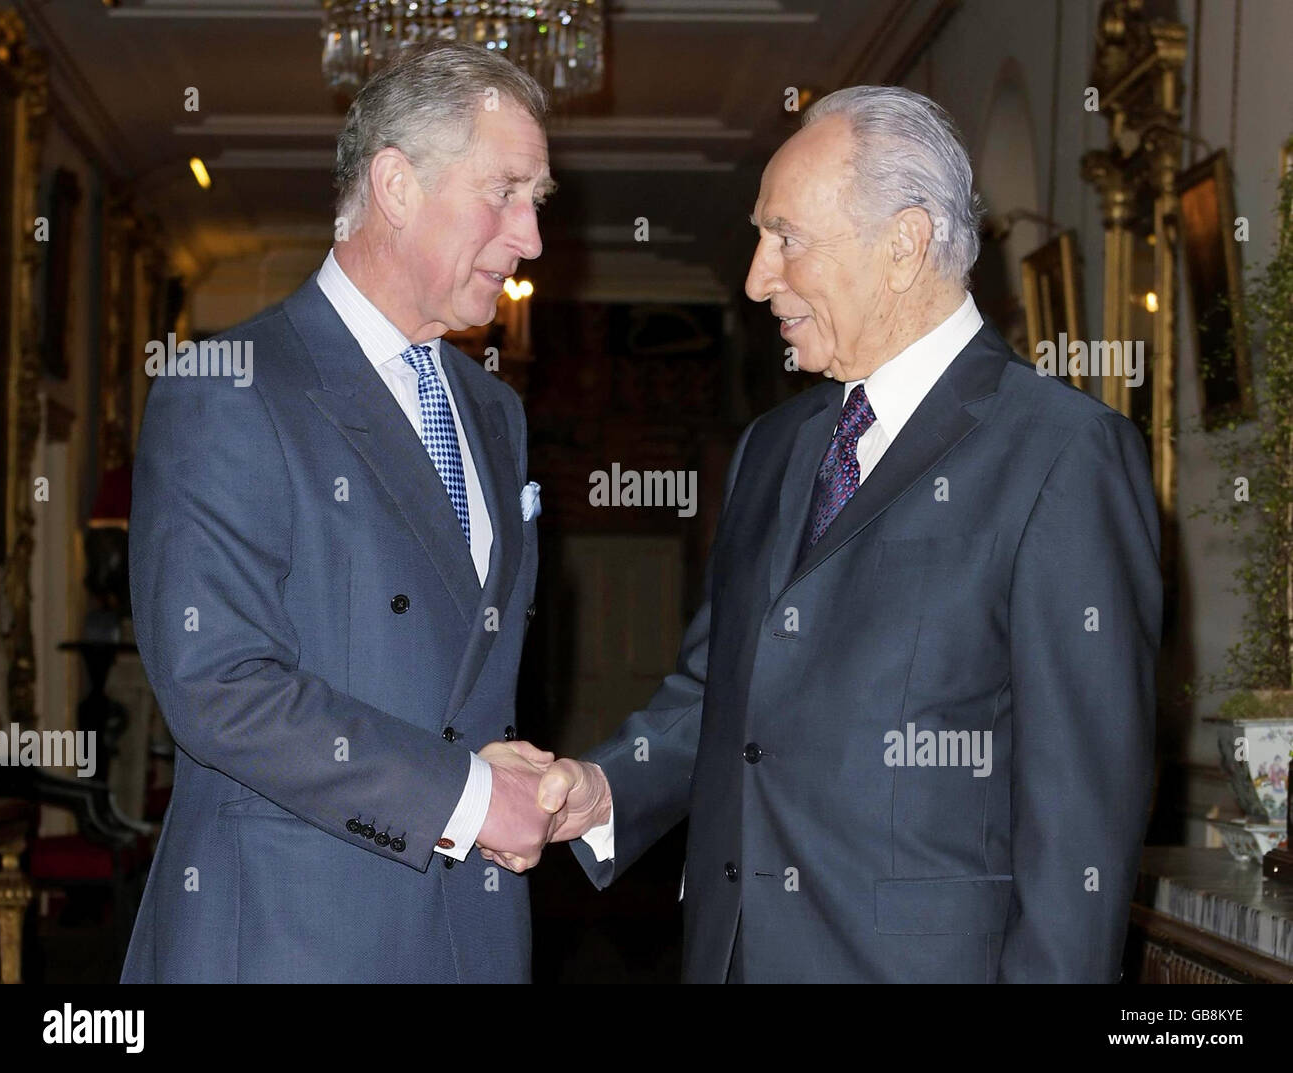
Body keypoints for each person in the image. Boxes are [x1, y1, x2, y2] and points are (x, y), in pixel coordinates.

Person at [516, 85, 1162, 983]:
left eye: (786, 238)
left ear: (902, 247)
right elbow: (723, 690)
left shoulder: (1064, 455)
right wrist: (607, 787)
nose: (755, 277)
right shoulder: (772, 447)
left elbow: (1081, 825)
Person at [123, 42, 562, 983]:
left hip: (473, 933)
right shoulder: (228, 384)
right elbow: (219, 686)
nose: (531, 238)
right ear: (397, 185)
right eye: (507, 192)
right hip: (290, 933)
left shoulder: (496, 411)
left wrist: (507, 780)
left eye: (539, 201)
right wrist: (472, 795)